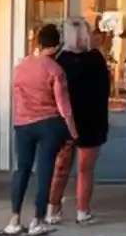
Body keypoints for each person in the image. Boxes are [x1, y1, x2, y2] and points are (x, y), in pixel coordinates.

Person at [0, 24, 78, 236]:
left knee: (22, 170)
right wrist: (72, 130)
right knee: (44, 171)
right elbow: (63, 105)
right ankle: (38, 219)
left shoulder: (20, 67)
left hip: (23, 124)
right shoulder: (55, 69)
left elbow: (16, 96)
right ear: (55, 46)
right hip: (49, 123)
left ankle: (14, 219)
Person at [45, 17, 111, 225]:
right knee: (85, 169)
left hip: (64, 121)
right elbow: (104, 91)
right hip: (92, 120)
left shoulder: (59, 60)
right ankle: (82, 211)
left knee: (60, 167)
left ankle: (53, 209)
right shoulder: (96, 59)